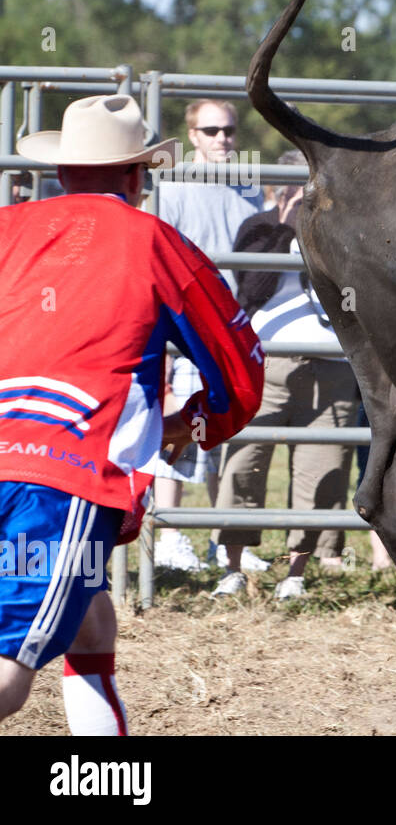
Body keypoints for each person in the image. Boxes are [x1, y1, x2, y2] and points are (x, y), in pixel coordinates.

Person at [0, 94, 263, 732]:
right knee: (9, 669)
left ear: (61, 171)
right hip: (63, 473)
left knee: (87, 611)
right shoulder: (153, 242)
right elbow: (237, 368)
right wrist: (195, 424)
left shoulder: (7, 229)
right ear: (137, 175)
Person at [211, 151, 362, 599]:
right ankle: (233, 568)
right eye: (294, 186)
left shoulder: (339, 230)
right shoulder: (260, 227)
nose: (304, 195)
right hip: (267, 363)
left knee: (323, 470)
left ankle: (295, 575)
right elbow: (252, 287)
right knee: (244, 462)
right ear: (277, 187)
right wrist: (286, 222)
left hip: (331, 365)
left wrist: (318, 226)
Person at [153, 99, 265, 572]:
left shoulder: (250, 186)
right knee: (178, 428)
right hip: (187, 327)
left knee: (229, 427)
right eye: (212, 130)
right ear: (193, 135)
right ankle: (170, 536)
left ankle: (225, 543)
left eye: (230, 130)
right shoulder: (173, 184)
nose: (223, 138)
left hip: (233, 323)